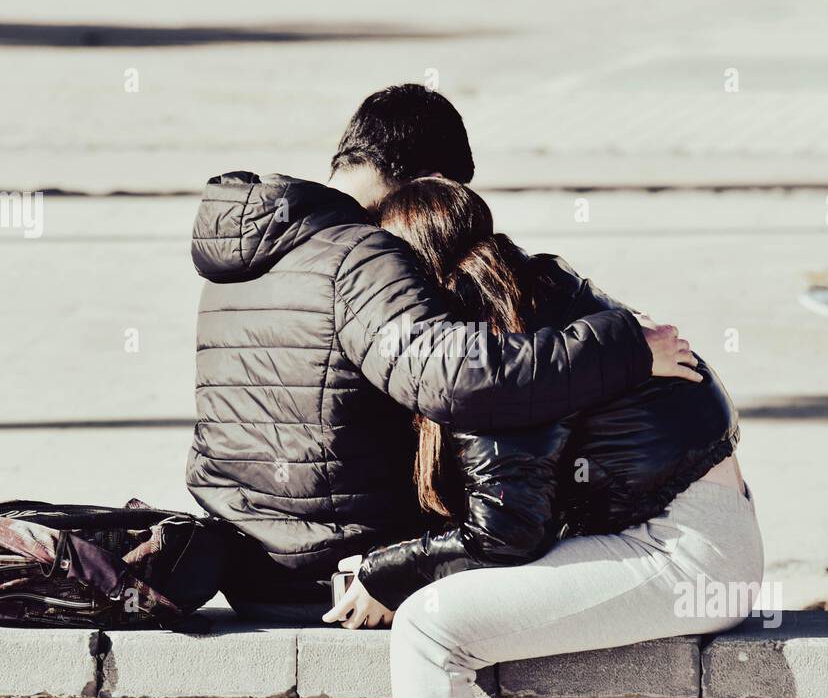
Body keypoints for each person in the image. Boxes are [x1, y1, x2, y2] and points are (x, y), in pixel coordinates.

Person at [296, 179, 763, 698]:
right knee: (443, 613)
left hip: (686, 555)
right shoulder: (534, 289)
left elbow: (509, 532)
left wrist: (389, 572)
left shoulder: (495, 339)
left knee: (430, 629)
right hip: (689, 532)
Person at [186, 85, 696, 616]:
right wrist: (626, 349)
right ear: (430, 184)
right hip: (354, 577)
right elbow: (464, 379)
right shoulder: (361, 255)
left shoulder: (242, 265)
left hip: (252, 572)